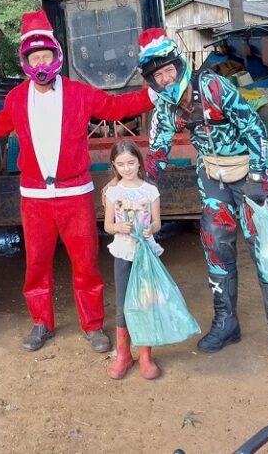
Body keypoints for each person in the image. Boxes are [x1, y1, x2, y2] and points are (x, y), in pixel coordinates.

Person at [0, 10, 155, 353]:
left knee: (85, 262)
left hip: (75, 194)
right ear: (26, 60)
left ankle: (93, 325)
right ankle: (41, 323)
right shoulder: (16, 98)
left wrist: (152, 95)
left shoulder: (78, 93)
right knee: (36, 263)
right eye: (35, 57)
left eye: (45, 56)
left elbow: (115, 107)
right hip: (34, 197)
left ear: (56, 55)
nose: (41, 63)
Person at [139, 27, 268, 371]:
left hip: (248, 172)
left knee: (265, 249)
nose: (165, 79)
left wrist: (258, 176)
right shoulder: (165, 107)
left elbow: (254, 128)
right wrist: (143, 187)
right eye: (157, 76)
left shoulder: (213, 86)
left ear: (179, 66)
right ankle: (227, 323)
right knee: (215, 245)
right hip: (212, 175)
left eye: (168, 71)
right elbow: (158, 149)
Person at [103, 140, 163, 380]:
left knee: (146, 301)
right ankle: (123, 355)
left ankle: (146, 355)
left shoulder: (150, 191)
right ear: (114, 165)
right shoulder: (113, 192)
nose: (126, 168)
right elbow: (107, 226)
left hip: (146, 255)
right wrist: (119, 227)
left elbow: (157, 222)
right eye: (121, 164)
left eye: (131, 162)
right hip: (123, 254)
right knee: (123, 303)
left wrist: (150, 229)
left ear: (139, 162)